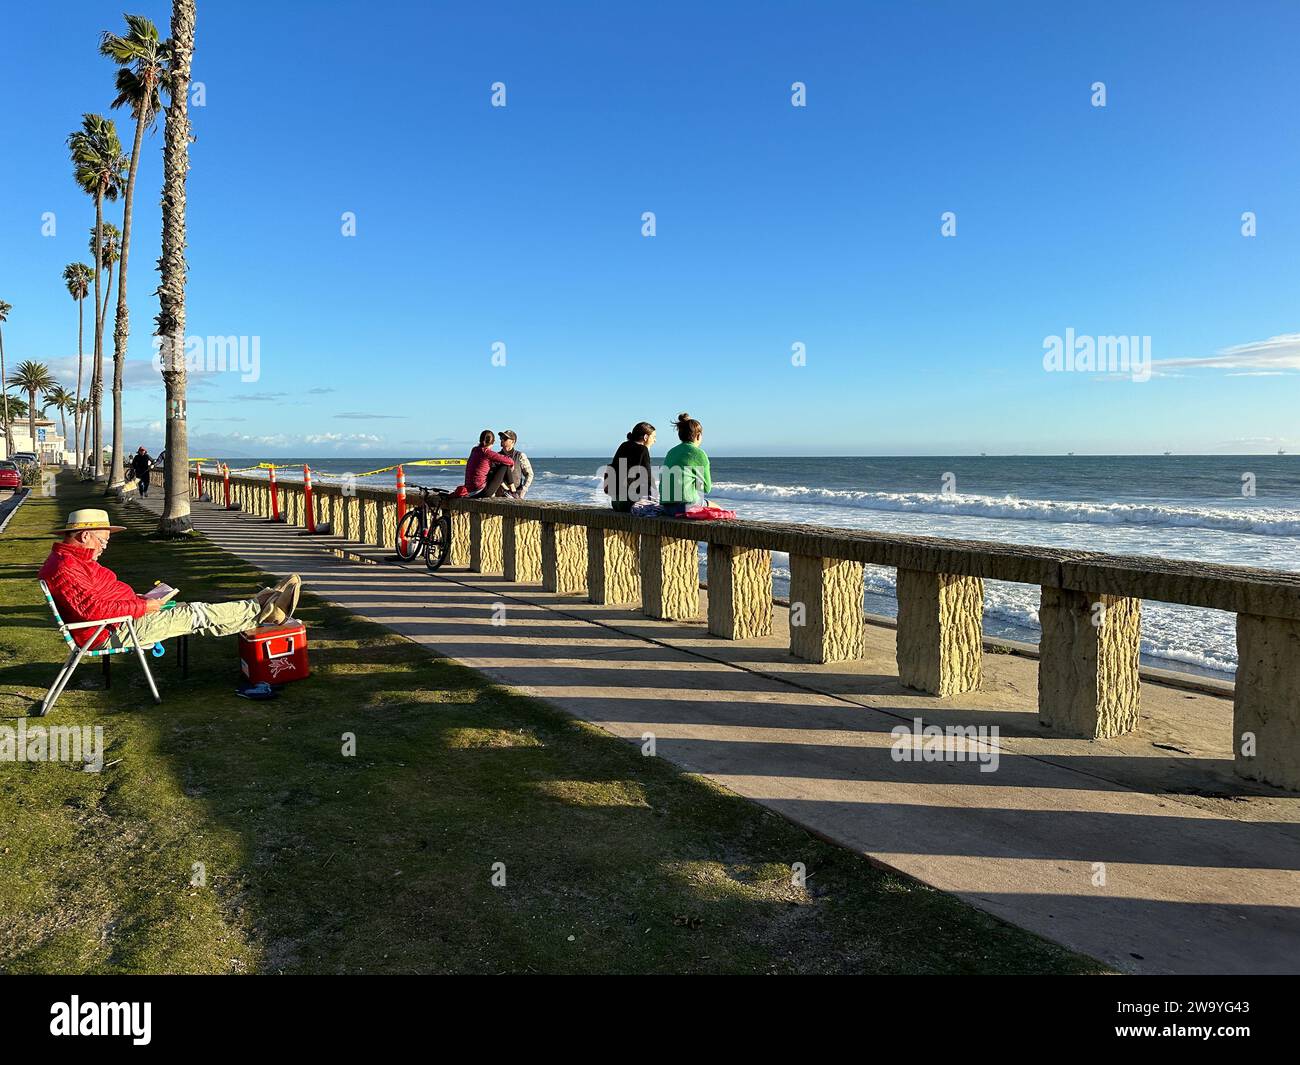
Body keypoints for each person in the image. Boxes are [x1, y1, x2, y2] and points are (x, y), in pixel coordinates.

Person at [38, 508, 301, 650]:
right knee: (197, 614)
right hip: (111, 631)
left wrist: (142, 600)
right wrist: (144, 607)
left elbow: (97, 601)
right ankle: (261, 606)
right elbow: (94, 610)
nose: (105, 547)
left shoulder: (73, 562)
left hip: (120, 622)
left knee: (198, 615)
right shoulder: (66, 568)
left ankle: (265, 609)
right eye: (103, 541)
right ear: (85, 537)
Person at [658, 412, 712, 516]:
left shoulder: (671, 452)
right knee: (713, 506)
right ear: (698, 436)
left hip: (667, 507)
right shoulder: (699, 454)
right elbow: (706, 488)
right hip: (685, 507)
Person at [604, 421, 656, 512]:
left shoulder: (623, 445)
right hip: (629, 503)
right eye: (653, 437)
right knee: (660, 510)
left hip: (616, 502)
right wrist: (650, 501)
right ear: (646, 437)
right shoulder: (642, 450)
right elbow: (647, 480)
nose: (655, 440)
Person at [463, 430, 515, 498]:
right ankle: (513, 491)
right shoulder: (487, 452)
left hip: (469, 491)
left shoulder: (474, 450)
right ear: (492, 442)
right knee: (505, 465)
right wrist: (511, 466)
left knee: (491, 469)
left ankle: (506, 490)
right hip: (481, 492)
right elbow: (510, 461)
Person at [497, 430, 533, 499]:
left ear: (513, 441)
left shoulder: (520, 456)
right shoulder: (496, 456)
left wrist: (523, 490)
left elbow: (530, 474)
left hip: (515, 496)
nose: (502, 440)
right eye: (501, 438)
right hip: (499, 496)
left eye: (505, 438)